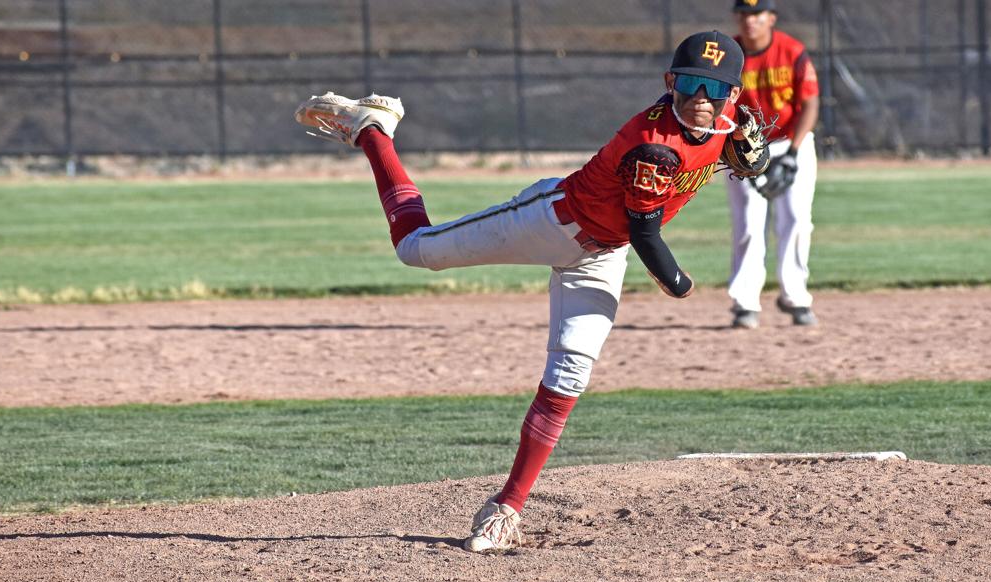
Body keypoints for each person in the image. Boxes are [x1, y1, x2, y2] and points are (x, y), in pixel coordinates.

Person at [294, 31, 765, 553]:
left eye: (716, 89)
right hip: (552, 219)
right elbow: (647, 236)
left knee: (570, 373)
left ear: (734, 96)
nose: (702, 98)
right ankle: (373, 130)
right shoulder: (652, 144)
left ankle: (506, 508)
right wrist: (681, 285)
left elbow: (748, 138)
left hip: (601, 255)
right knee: (414, 248)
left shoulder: (727, 119)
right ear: (669, 84)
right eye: (692, 84)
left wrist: (754, 150)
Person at [725, 0, 822, 328]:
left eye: (756, 14)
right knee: (749, 224)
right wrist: (735, 152)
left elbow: (810, 104)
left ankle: (795, 296)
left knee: (796, 220)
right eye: (743, 14)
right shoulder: (729, 54)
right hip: (744, 144)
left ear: (771, 18)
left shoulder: (792, 50)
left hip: (790, 142)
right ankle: (745, 302)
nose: (749, 20)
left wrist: (793, 153)